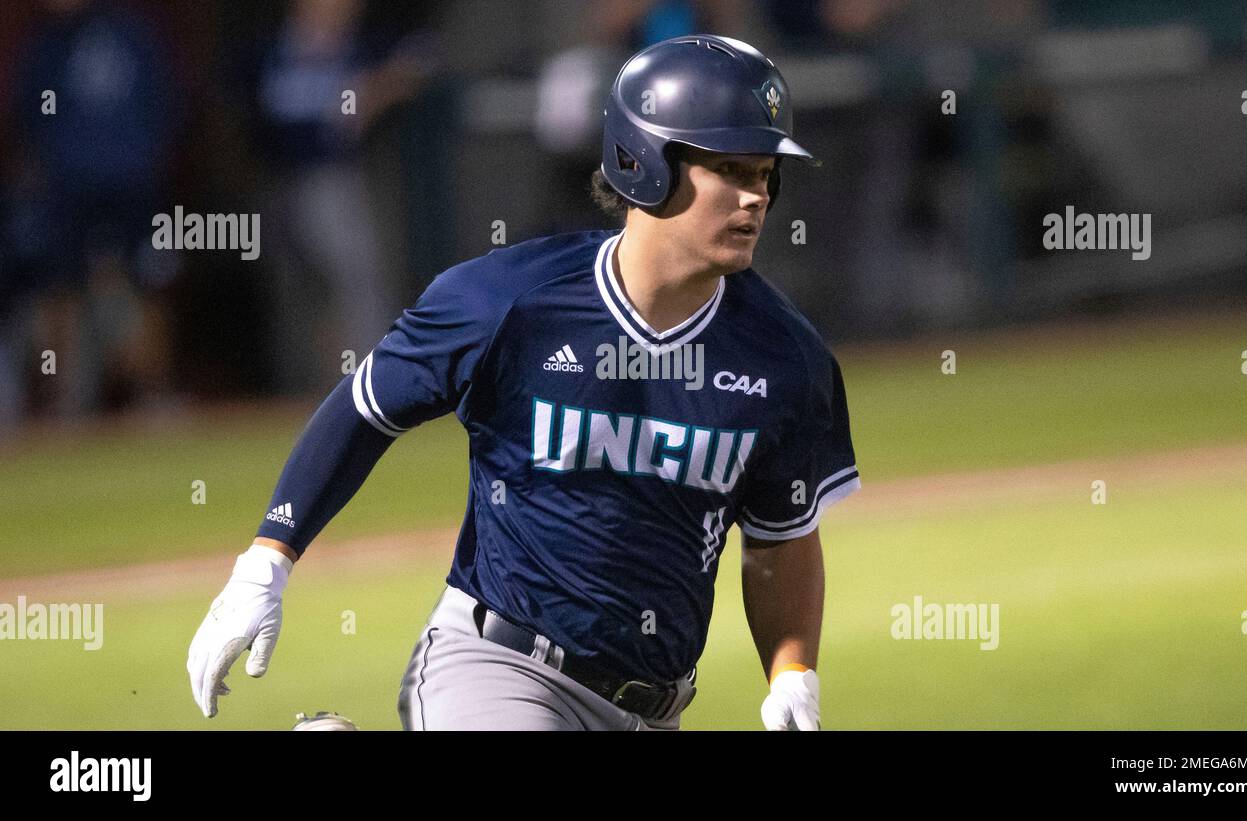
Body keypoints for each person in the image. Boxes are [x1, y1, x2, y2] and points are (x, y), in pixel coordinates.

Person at [187, 34, 859, 731]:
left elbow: (781, 537)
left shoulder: (786, 357)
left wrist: (792, 671)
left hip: (654, 710)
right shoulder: (506, 301)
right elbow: (367, 409)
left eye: (764, 174)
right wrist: (267, 559)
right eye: (730, 169)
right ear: (645, 164)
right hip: (498, 666)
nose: (756, 198)